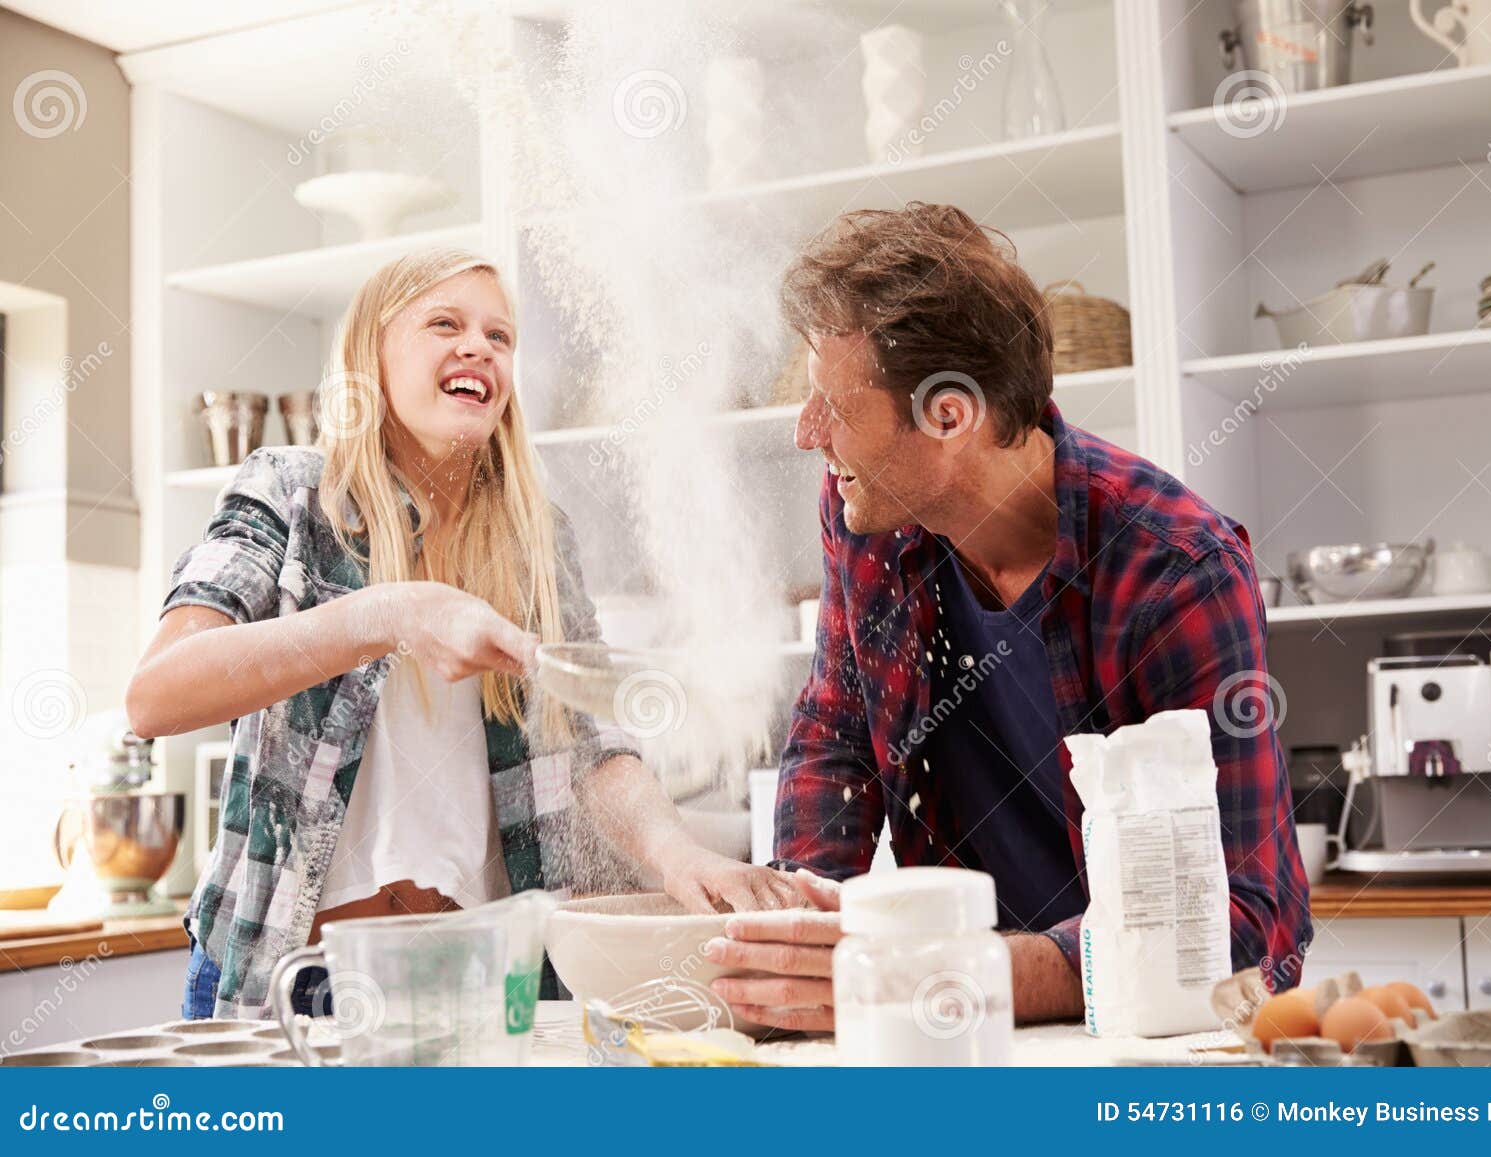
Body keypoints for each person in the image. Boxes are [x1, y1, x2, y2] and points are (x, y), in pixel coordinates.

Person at [126, 249, 799, 1019]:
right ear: (369, 358)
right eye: (444, 323)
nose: (479, 347)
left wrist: (680, 856)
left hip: (480, 981)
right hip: (295, 982)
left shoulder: (536, 540)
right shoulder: (290, 492)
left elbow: (595, 747)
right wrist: (388, 612)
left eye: (500, 337)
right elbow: (157, 694)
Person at [705, 204, 1312, 1031]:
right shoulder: (869, 509)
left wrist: (965, 970)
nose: (808, 433)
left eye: (833, 406)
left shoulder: (1175, 570)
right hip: (962, 1014)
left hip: (1145, 1036)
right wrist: (802, 935)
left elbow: (1246, 926)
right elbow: (836, 729)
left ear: (949, 417)